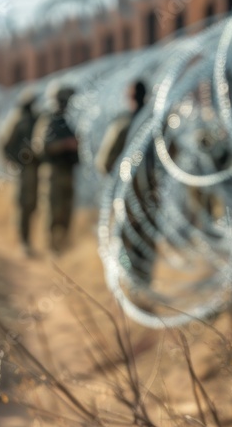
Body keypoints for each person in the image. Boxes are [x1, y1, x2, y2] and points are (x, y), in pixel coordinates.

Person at [95, 80, 158, 285]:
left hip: (129, 194)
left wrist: (118, 180)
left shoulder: (123, 125)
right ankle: (142, 282)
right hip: (150, 193)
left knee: (127, 240)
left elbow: (104, 162)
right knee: (146, 240)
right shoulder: (154, 124)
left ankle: (129, 282)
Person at [33, 83, 80, 255]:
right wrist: (65, 145)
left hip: (67, 171)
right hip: (53, 172)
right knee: (53, 210)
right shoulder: (49, 121)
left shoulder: (65, 122)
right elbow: (41, 146)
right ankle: (52, 247)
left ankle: (63, 246)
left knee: (66, 211)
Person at [0, 87, 40, 257]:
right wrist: (17, 162)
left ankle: (30, 241)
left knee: (34, 205)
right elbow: (5, 145)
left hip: (36, 169)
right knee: (24, 205)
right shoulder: (17, 121)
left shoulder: (35, 120)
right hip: (25, 170)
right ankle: (24, 241)